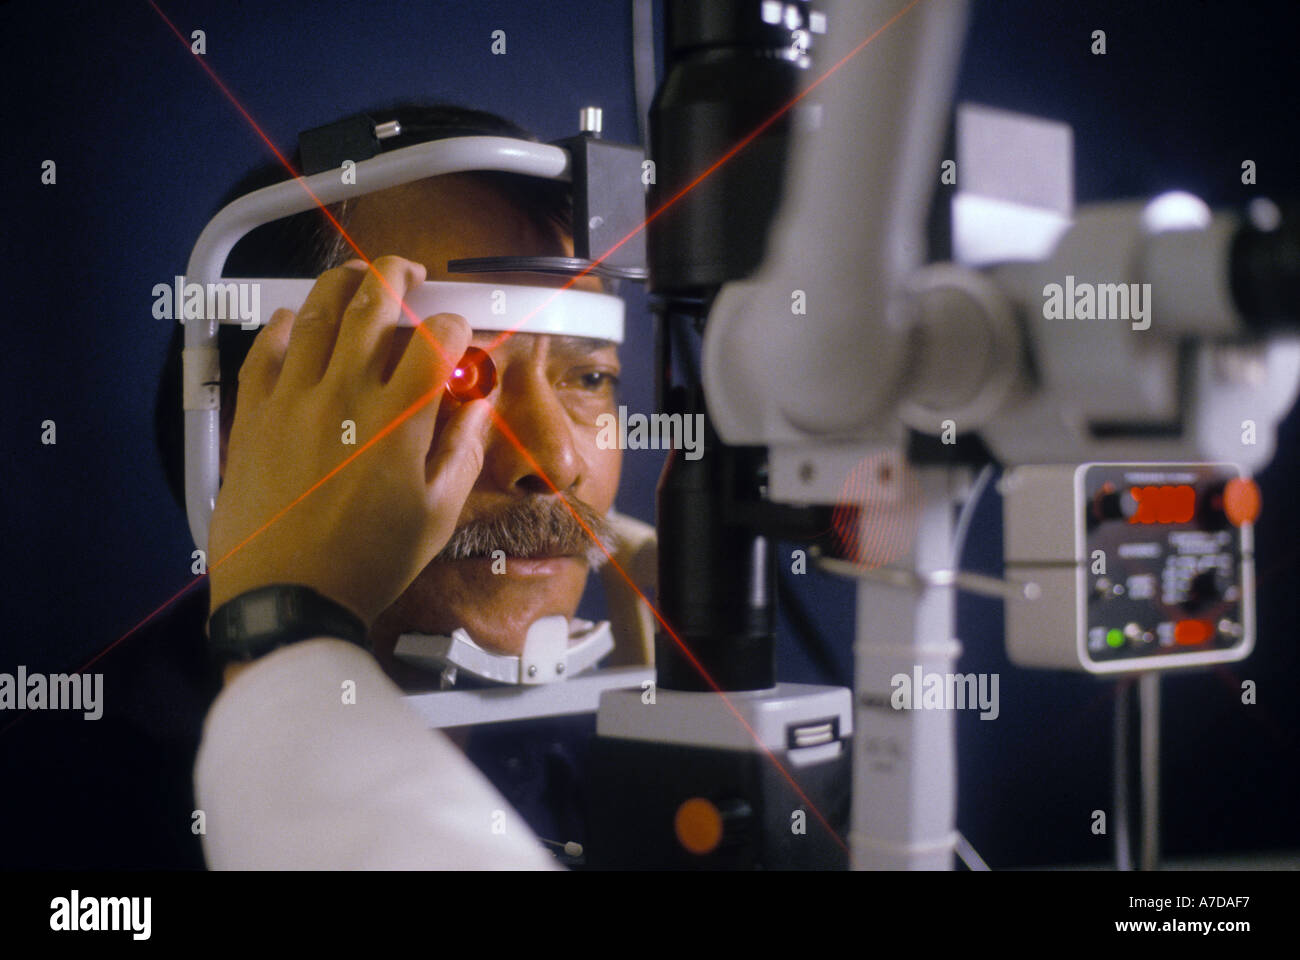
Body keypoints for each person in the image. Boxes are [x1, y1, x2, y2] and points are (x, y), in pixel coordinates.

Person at [152, 103, 653, 868]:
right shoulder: (65, 801)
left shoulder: (626, 765)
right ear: (249, 425)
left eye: (588, 377)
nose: (555, 460)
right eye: (455, 376)